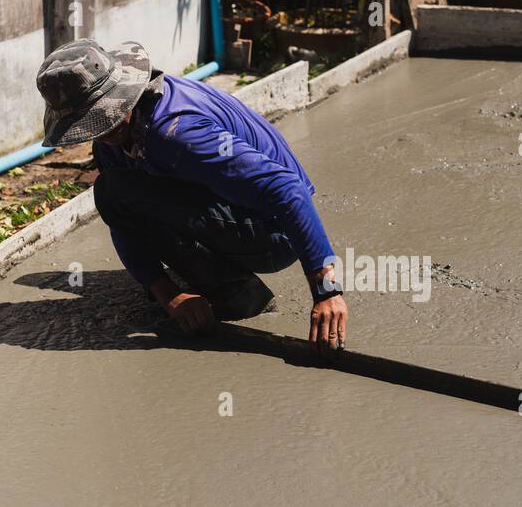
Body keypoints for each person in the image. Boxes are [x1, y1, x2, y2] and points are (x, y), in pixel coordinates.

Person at [35, 39, 348, 351]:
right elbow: (120, 216)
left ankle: (238, 294)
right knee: (115, 190)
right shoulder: (122, 132)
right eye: (93, 127)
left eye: (102, 123)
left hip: (275, 233)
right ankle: (207, 280)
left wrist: (326, 292)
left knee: (116, 191)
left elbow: (287, 189)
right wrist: (169, 295)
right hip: (233, 207)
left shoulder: (177, 134)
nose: (101, 135)